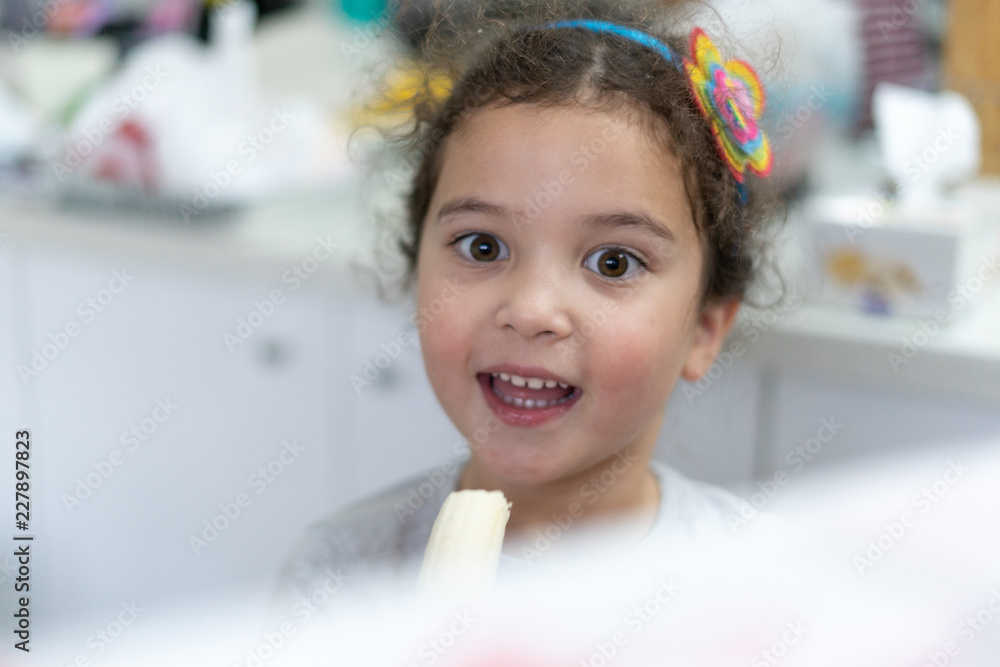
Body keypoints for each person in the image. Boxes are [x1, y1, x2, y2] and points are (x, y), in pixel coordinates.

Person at [272, 0, 779, 618]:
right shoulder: (339, 580)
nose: (532, 310)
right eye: (482, 247)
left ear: (704, 328)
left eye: (614, 262)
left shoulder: (760, 587)